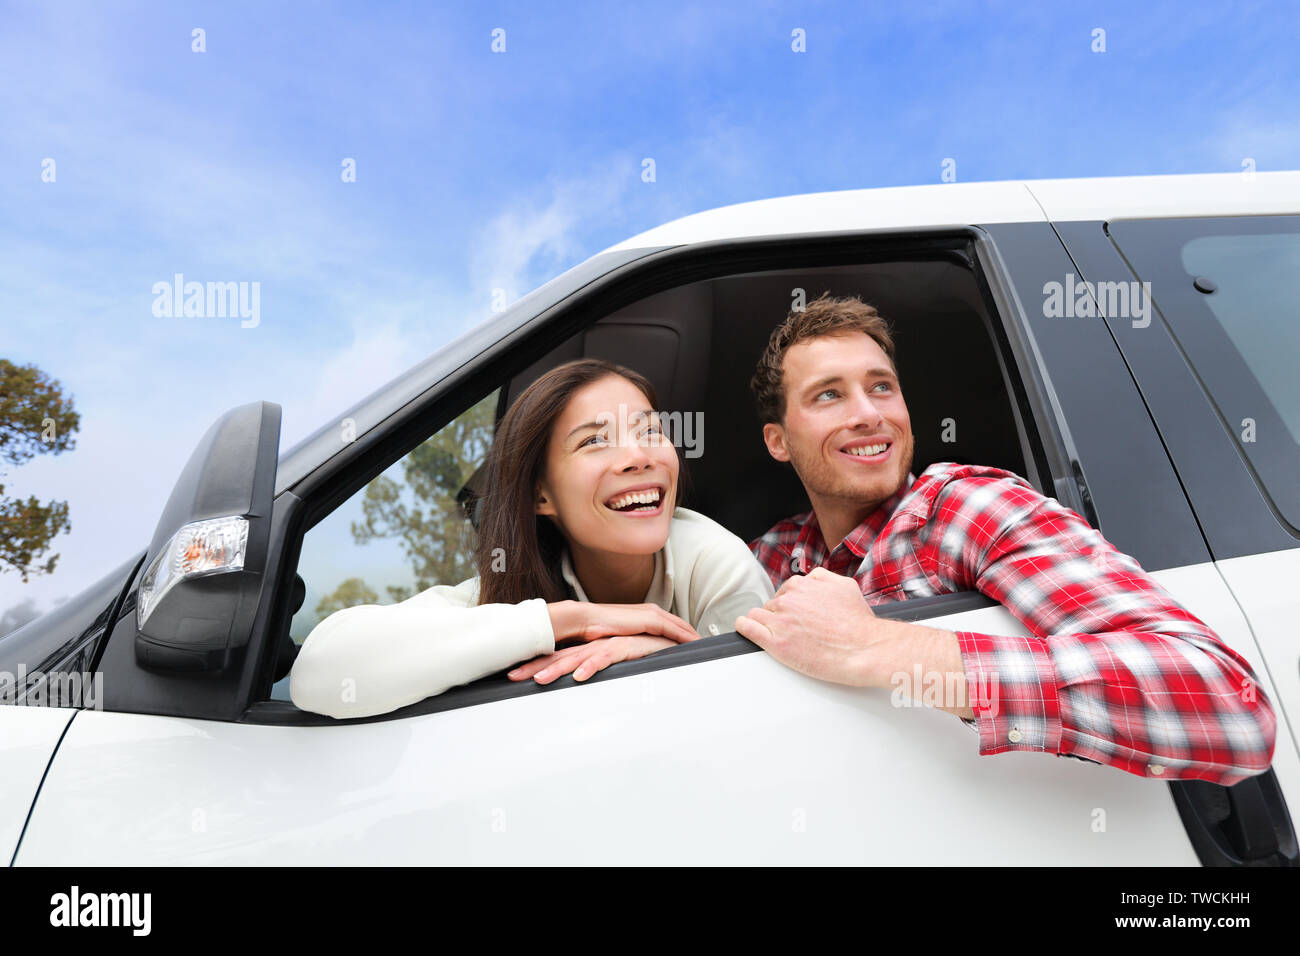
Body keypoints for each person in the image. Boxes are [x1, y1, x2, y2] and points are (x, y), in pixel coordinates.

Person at [733, 292, 1277, 786]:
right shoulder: (776, 554)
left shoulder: (963, 509)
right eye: (829, 395)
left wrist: (880, 647)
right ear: (778, 441)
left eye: (881, 387)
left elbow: (1231, 709)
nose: (869, 414)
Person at [290, 358, 774, 719]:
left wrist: (663, 655)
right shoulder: (512, 584)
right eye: (593, 441)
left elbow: (755, 722)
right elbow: (320, 672)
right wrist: (573, 620)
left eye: (650, 431)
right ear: (541, 496)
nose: (639, 456)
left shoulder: (716, 564)